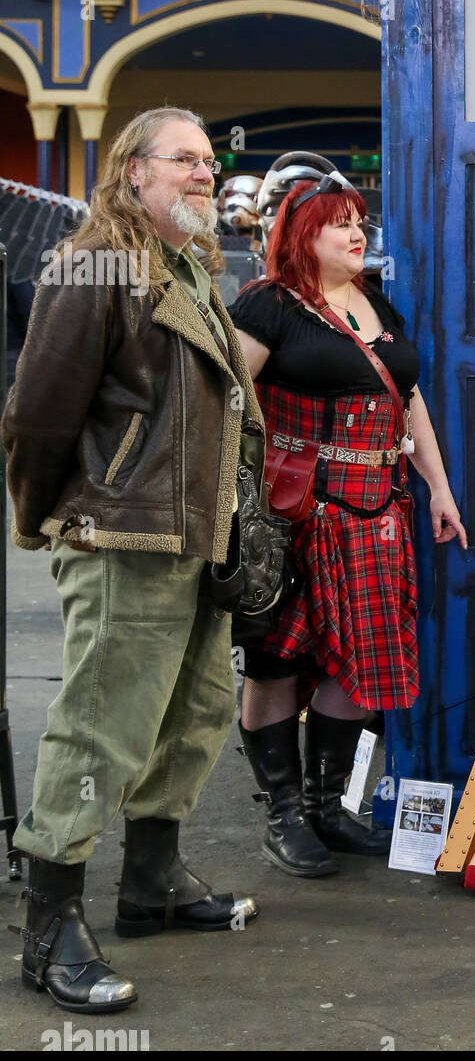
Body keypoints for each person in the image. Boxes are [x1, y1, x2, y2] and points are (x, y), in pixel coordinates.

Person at [2, 106, 259, 1014]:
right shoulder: (94, 262)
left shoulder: (186, 263)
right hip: (121, 533)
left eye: (207, 162)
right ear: (132, 172)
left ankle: (152, 879)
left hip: (194, 536)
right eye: (184, 160)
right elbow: (37, 413)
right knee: (99, 726)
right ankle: (50, 930)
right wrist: (42, 519)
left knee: (194, 713)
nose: (203, 174)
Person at [229, 173, 466, 877]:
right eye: (340, 223)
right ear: (303, 235)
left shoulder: (375, 301)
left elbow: (409, 399)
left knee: (357, 660)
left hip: (375, 511)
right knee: (276, 662)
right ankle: (283, 816)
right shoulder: (267, 306)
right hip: (293, 515)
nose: (357, 232)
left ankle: (328, 808)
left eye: (360, 220)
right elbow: (224, 405)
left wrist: (438, 488)